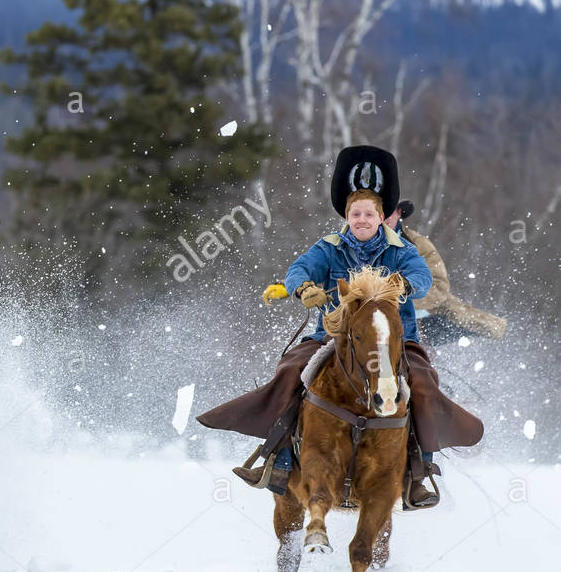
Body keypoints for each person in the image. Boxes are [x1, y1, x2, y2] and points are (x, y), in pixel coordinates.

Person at [198, 145, 483, 509]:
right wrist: (303, 288)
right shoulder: (328, 247)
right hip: (331, 336)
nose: (361, 220)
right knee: (290, 370)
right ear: (346, 216)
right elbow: (299, 268)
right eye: (355, 214)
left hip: (394, 341)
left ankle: (418, 471)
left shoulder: (403, 250)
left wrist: (405, 286)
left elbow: (423, 278)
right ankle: (278, 458)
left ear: (382, 217)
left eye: (368, 214)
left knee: (424, 383)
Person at [388, 201, 507, 343]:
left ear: (399, 213)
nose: (385, 218)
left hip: (426, 314)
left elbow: (439, 286)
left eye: (390, 211)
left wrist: (400, 301)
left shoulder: (418, 243)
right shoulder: (359, 242)